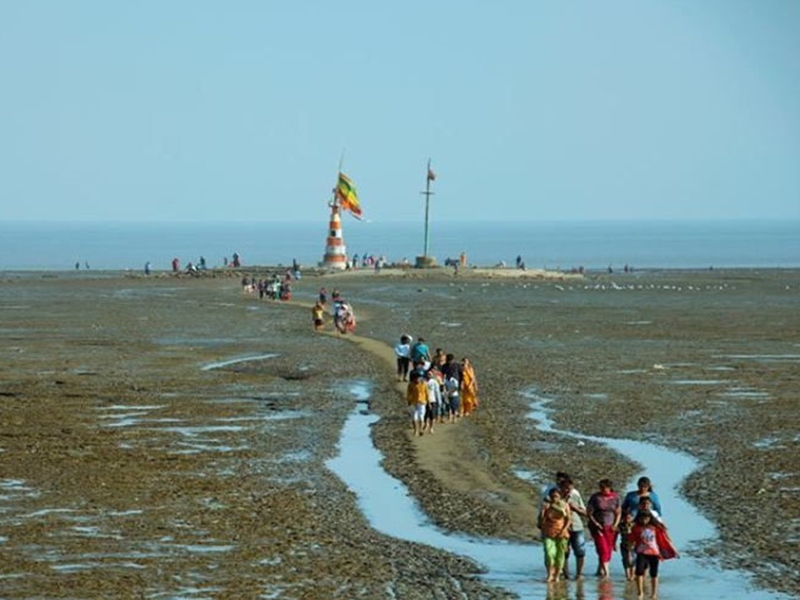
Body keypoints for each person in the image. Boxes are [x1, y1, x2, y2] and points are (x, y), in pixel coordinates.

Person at [628, 510, 679, 598]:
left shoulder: (655, 528)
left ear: (650, 518)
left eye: (646, 518)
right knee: (639, 572)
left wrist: (673, 550)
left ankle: (654, 593)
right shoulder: (636, 528)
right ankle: (640, 592)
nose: (644, 520)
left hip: (653, 553)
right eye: (642, 518)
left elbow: (663, 540)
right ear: (638, 518)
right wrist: (630, 550)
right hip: (641, 552)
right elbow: (632, 540)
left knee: (654, 574)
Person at [587, 478, 621, 578]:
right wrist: (595, 523)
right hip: (598, 526)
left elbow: (618, 513)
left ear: (609, 488)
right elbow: (589, 512)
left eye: (605, 488)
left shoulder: (616, 498)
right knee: (602, 548)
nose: (603, 490)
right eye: (601, 488)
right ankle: (606, 573)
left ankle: (601, 569)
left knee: (609, 548)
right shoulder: (595, 497)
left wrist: (615, 524)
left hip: (610, 526)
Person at [539, 487, 572, 583]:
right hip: (548, 532)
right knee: (549, 553)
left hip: (561, 532)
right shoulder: (547, 506)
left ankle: (557, 575)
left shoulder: (564, 505)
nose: (554, 499)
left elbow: (568, 519)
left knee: (560, 555)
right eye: (553, 497)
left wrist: (564, 530)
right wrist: (543, 511)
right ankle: (549, 575)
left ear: (560, 497)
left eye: (556, 497)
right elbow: (541, 521)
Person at [559, 476, 588, 581]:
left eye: (569, 488)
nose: (567, 490)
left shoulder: (575, 496)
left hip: (576, 526)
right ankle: (565, 574)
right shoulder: (555, 497)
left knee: (580, 550)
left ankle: (579, 573)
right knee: (563, 551)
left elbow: (585, 512)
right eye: (565, 488)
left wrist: (574, 508)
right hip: (561, 527)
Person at [618, 510, 636, 581]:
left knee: (633, 560)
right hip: (624, 545)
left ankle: (632, 574)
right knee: (625, 560)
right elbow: (615, 534)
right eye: (626, 518)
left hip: (634, 545)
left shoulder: (635, 525)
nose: (627, 519)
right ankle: (627, 575)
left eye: (629, 518)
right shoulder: (621, 525)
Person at [423, 368, 442, 434]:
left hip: (433, 400)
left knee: (432, 415)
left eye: (430, 374)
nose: (429, 375)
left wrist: (439, 401)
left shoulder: (434, 382)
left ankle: (431, 427)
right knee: (425, 414)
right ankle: (426, 424)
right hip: (425, 400)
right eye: (428, 374)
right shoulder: (424, 382)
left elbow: (437, 392)